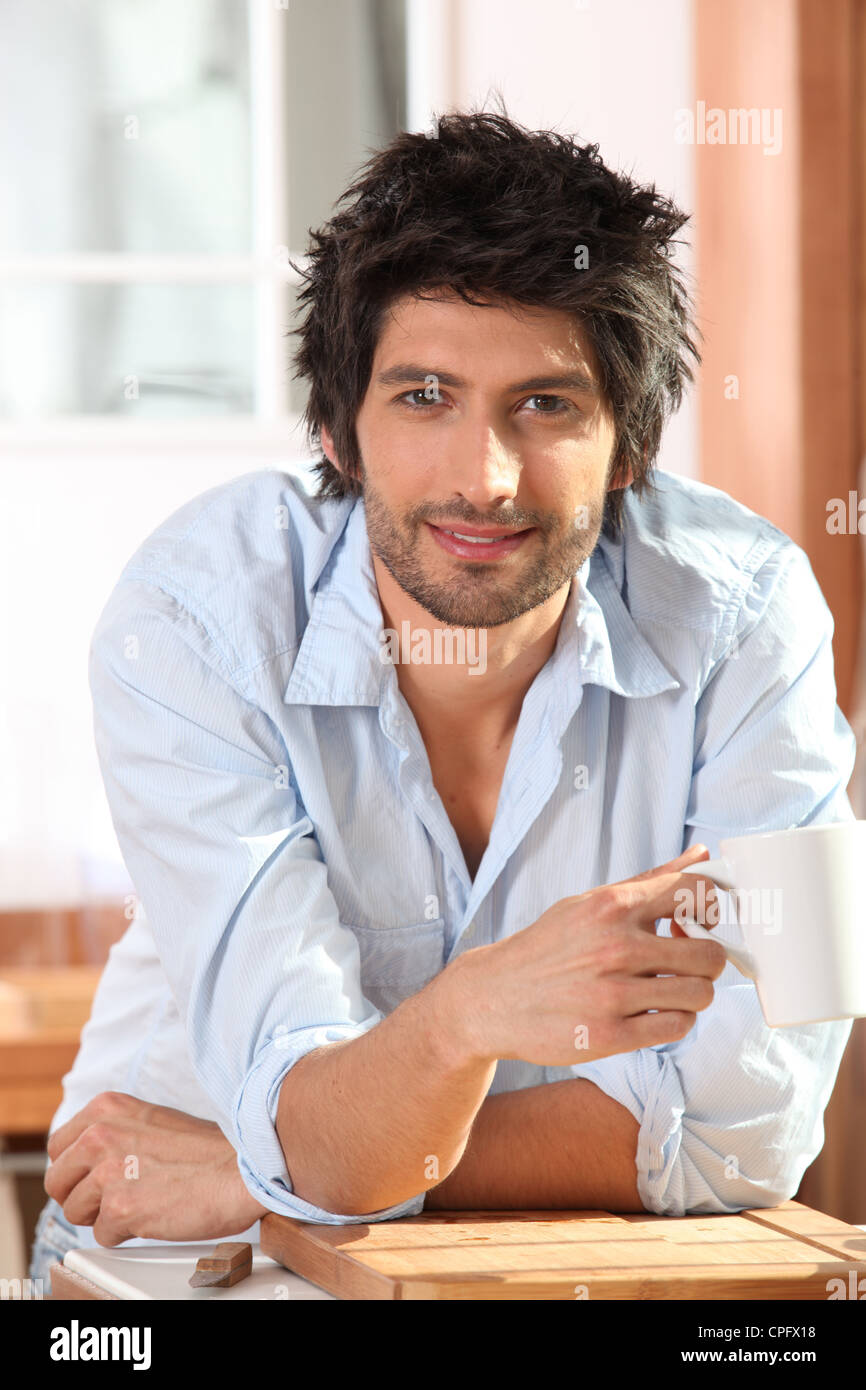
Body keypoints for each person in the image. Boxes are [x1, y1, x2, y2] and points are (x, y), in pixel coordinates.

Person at [31, 111, 855, 1291]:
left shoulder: (752, 610)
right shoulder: (197, 620)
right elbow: (312, 1128)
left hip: (511, 1262)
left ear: (627, 447)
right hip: (176, 1252)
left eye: (547, 404)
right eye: (424, 395)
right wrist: (467, 1018)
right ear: (337, 430)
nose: (484, 477)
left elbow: (755, 1129)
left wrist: (259, 1168)